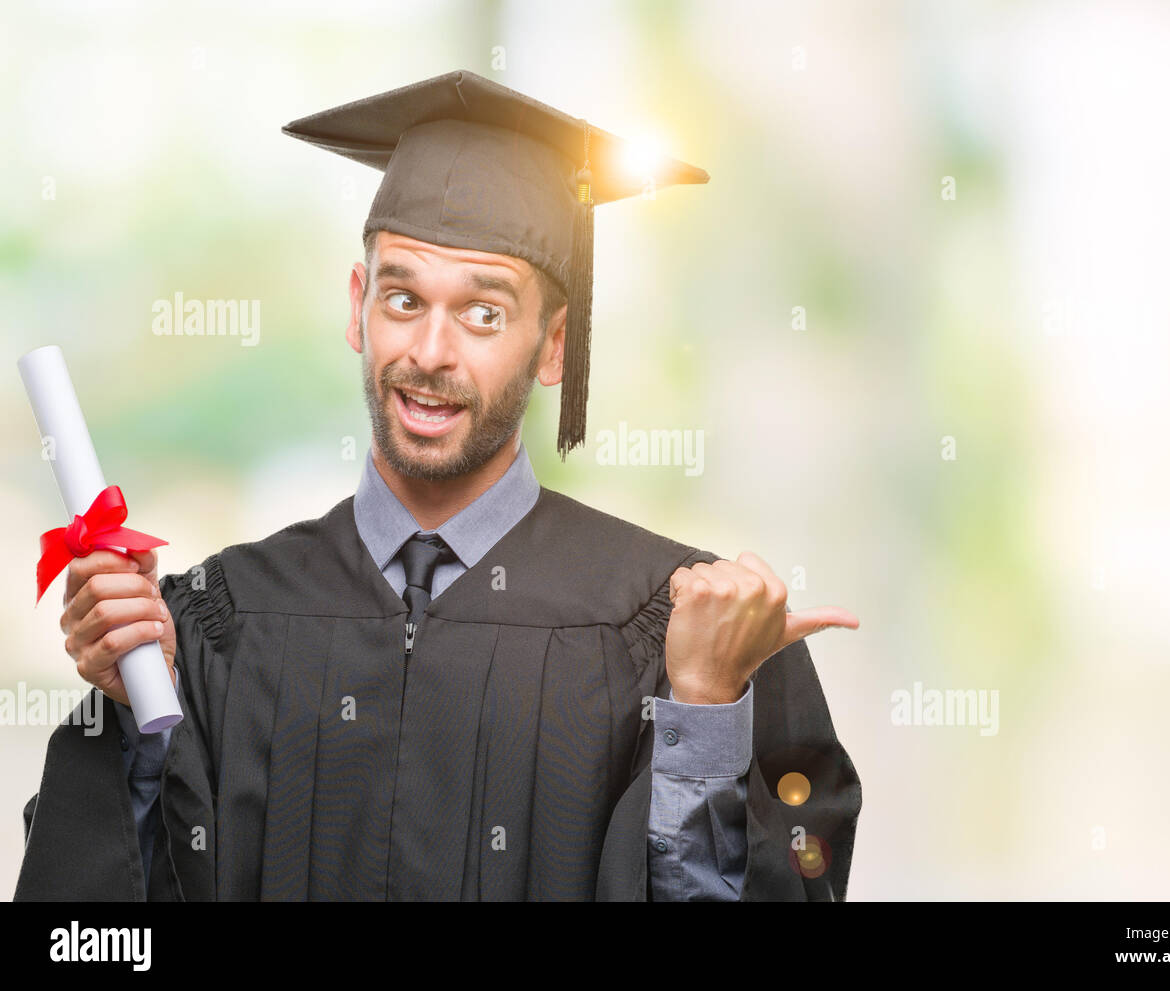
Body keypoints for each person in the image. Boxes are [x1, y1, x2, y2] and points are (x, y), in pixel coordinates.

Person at [14, 69, 862, 901]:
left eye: (484, 312)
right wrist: (137, 725)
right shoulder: (214, 623)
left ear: (555, 344)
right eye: (403, 298)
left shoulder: (676, 630)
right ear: (358, 307)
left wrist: (705, 714)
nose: (430, 352)